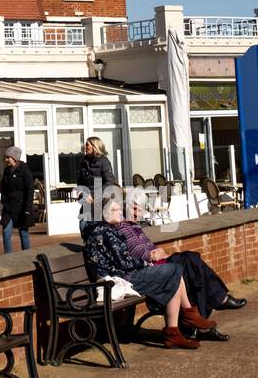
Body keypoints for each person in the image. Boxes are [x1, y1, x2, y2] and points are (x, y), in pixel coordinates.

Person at [83, 195, 221, 349]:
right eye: (114, 210)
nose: (118, 213)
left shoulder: (106, 230)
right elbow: (125, 263)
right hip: (119, 281)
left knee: (173, 273)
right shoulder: (103, 232)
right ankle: (186, 319)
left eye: (118, 209)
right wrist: (145, 262)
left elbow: (124, 260)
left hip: (123, 276)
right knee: (174, 270)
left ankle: (175, 332)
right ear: (104, 213)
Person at [116, 191, 244, 337]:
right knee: (190, 260)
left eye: (140, 209)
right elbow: (142, 253)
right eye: (133, 208)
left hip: (159, 265)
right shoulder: (123, 228)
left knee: (192, 270)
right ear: (126, 207)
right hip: (152, 271)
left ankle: (201, 321)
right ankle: (218, 300)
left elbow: (152, 249)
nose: (136, 213)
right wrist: (154, 253)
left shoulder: (136, 228)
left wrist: (158, 250)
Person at [76, 137, 118, 225]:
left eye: (87, 144)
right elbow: (80, 183)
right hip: (87, 201)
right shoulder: (83, 162)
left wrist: (94, 195)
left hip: (101, 202)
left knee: (100, 229)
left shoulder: (104, 162)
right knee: (84, 226)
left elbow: (109, 182)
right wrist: (83, 194)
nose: (85, 146)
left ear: (95, 146)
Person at [0, 146, 34, 252]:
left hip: (22, 208)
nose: (6, 160)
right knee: (6, 232)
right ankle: (8, 258)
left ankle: (26, 256)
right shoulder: (6, 171)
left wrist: (27, 209)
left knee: (23, 233)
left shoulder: (25, 171)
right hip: (8, 208)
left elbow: (30, 190)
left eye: (8, 157)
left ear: (14, 158)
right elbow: (3, 189)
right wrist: (2, 203)